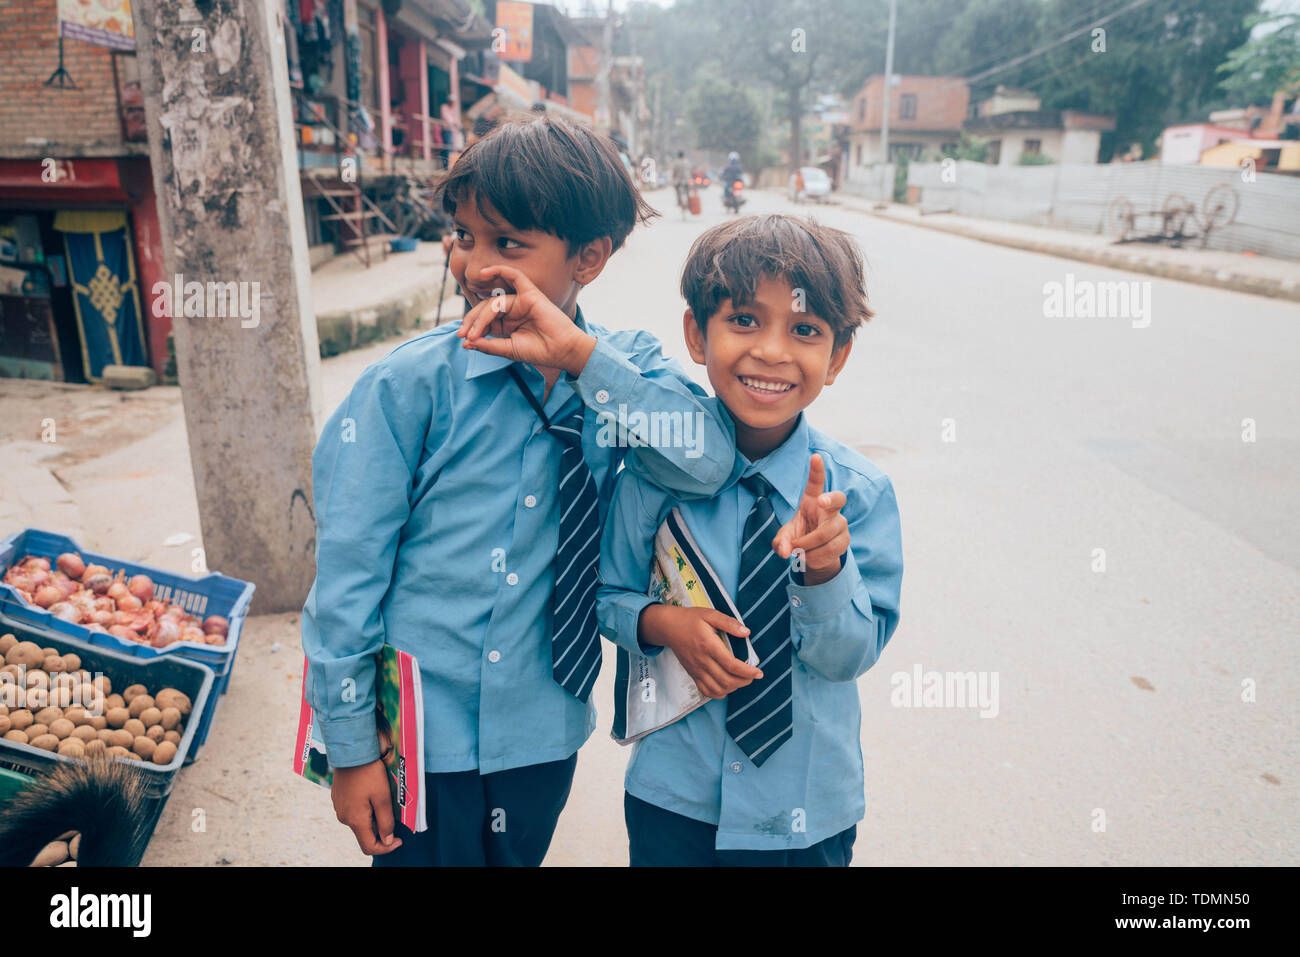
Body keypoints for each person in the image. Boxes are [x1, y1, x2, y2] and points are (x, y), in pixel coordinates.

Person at [302, 112, 733, 867]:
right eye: (465, 236)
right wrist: (348, 745)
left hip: (541, 729)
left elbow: (707, 461)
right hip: (419, 735)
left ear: (589, 258)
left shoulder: (619, 372)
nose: (474, 265)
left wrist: (580, 361)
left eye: (509, 243)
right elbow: (346, 571)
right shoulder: (408, 388)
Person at [596, 214, 904, 866]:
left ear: (838, 355)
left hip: (806, 812)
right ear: (695, 334)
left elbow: (851, 655)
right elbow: (605, 594)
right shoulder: (653, 472)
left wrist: (826, 571)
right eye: (743, 320)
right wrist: (660, 623)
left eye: (804, 329)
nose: (770, 350)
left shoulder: (861, 493)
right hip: (676, 799)